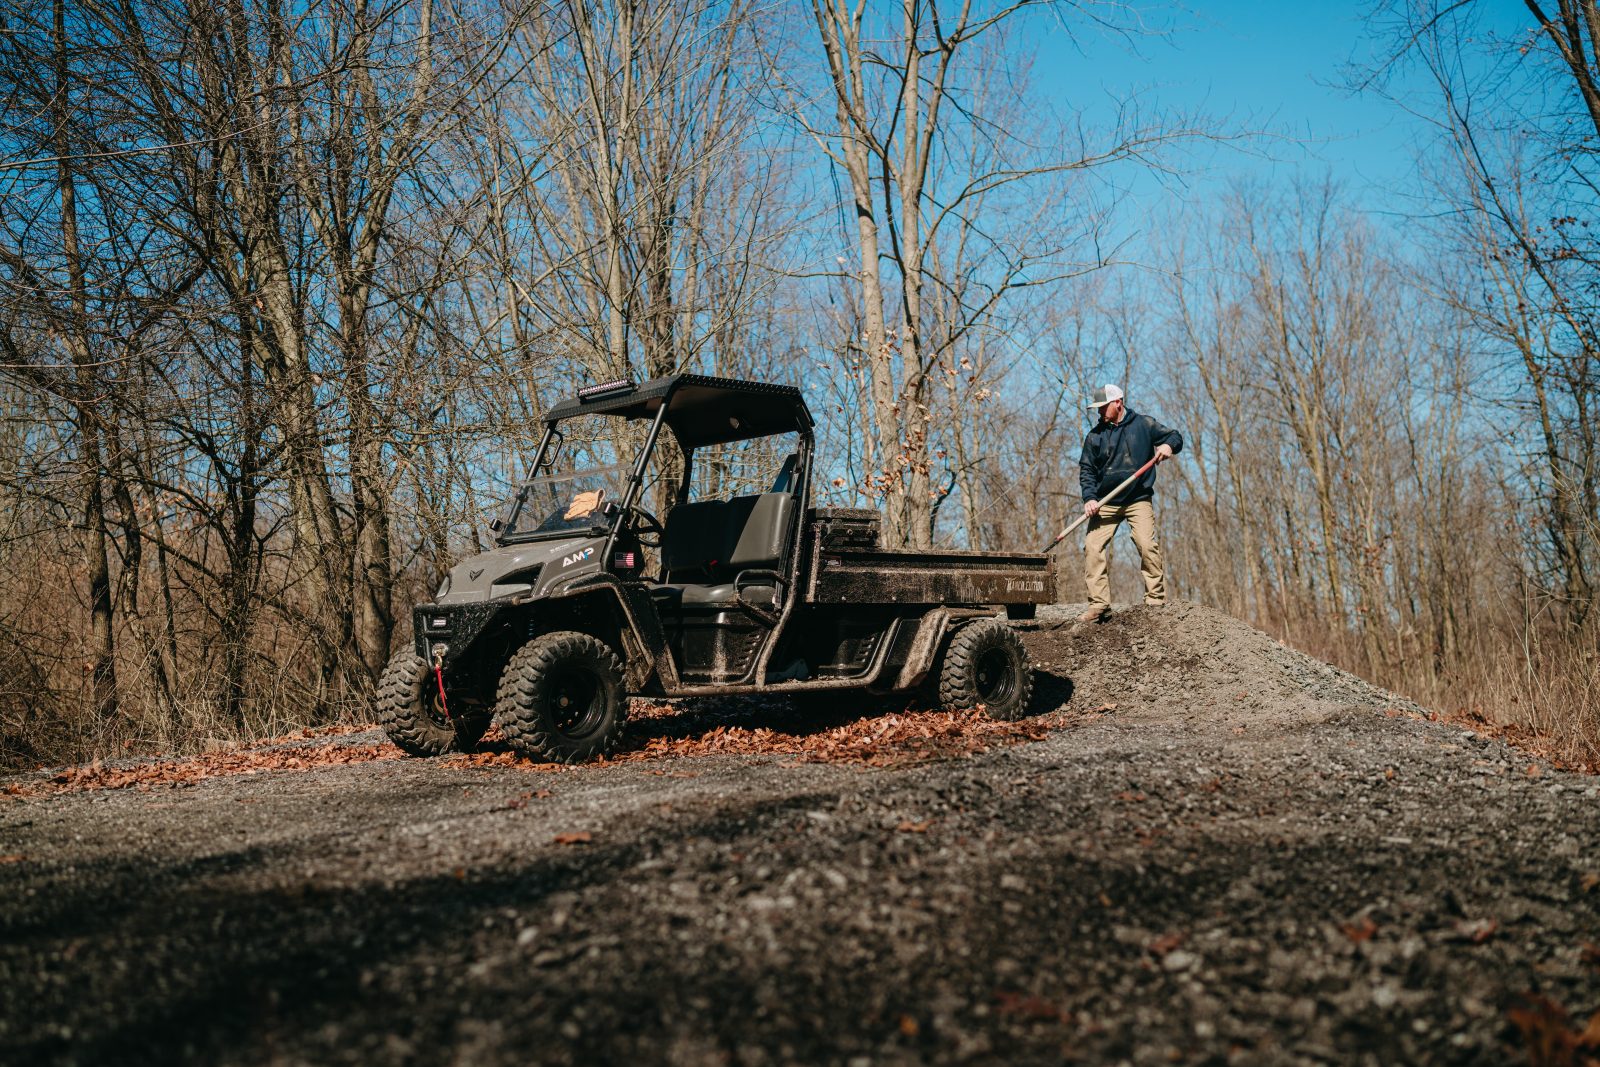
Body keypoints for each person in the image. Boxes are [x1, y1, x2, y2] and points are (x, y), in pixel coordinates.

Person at [1077, 384, 1183, 623]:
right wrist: (1090, 498)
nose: (1100, 411)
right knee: (1092, 546)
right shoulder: (1094, 436)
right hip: (1106, 501)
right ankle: (1099, 605)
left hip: (1138, 498)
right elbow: (1087, 470)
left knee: (1146, 544)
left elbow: (1175, 436)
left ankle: (1155, 600)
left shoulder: (1143, 424)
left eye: (1103, 406)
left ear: (1118, 403)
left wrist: (1168, 446)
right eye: (1098, 408)